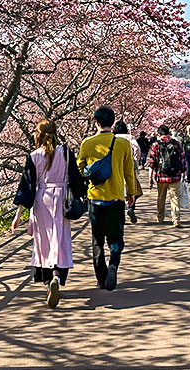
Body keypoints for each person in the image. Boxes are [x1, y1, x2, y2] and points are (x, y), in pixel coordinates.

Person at [13, 119, 85, 308]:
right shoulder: (66, 152)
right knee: (60, 241)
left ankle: (47, 284)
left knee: (43, 242)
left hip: (41, 199)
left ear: (39, 134)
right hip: (61, 199)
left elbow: (27, 186)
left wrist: (18, 214)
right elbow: (76, 180)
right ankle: (57, 279)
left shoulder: (34, 155)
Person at [77, 106, 137, 291]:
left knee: (97, 240)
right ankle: (113, 265)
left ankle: (101, 278)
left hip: (95, 199)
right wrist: (131, 192)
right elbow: (129, 170)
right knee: (116, 238)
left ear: (96, 122)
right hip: (116, 198)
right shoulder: (122, 144)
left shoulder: (87, 143)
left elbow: (79, 168)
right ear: (113, 122)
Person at [147, 125, 186, 228]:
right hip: (175, 176)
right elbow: (182, 158)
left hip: (161, 176)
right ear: (168, 133)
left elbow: (152, 162)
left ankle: (160, 218)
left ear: (158, 134)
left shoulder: (156, 145)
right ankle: (176, 219)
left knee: (161, 197)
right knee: (175, 198)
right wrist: (184, 171)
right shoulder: (176, 144)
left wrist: (150, 177)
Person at [113, 121, 144, 224]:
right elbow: (137, 149)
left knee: (119, 190)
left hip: (117, 166)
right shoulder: (129, 137)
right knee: (133, 188)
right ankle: (131, 207)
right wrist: (135, 160)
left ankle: (120, 215)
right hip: (129, 166)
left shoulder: (113, 138)